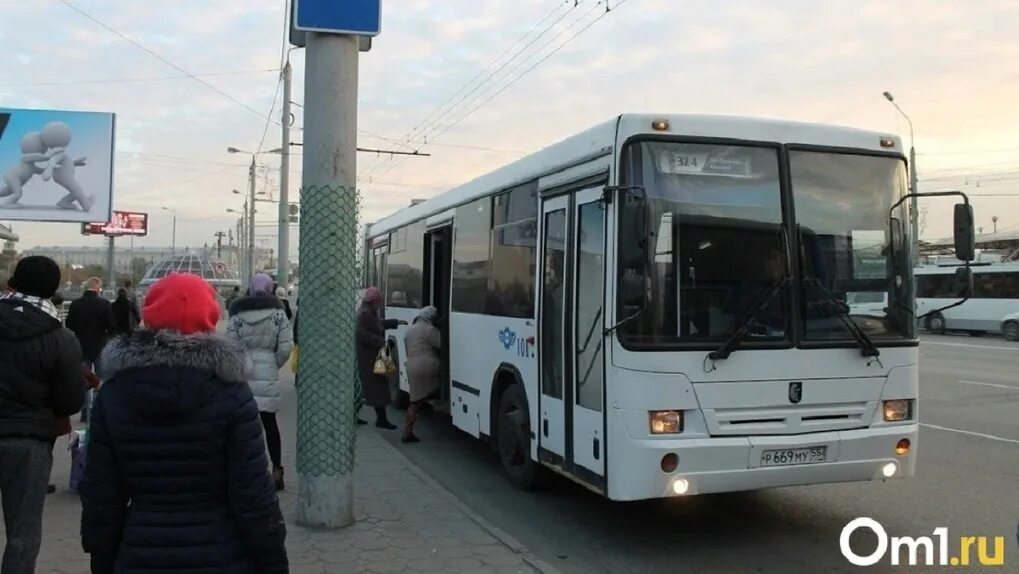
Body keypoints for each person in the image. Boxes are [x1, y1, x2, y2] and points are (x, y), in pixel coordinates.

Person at [80, 273, 288, 573]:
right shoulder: (231, 393)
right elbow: (253, 495)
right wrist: (273, 560)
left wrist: (102, 558)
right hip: (222, 552)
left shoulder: (113, 394)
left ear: (148, 318)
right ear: (210, 320)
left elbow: (101, 493)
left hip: (140, 551)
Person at [0, 256, 86, 573]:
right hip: (29, 442)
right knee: (23, 532)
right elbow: (71, 399)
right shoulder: (60, 338)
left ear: (12, 284)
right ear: (53, 291)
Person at [227, 273, 293, 491]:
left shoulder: (237, 315)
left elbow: (231, 347)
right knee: (271, 426)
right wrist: (272, 363)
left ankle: (248, 474)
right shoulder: (278, 314)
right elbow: (285, 347)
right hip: (268, 372)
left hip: (243, 376)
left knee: (244, 427)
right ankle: (277, 471)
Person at [65, 276, 115, 423]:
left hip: (80, 345)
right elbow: (111, 326)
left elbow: (69, 324)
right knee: (101, 380)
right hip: (100, 346)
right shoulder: (104, 304)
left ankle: (85, 411)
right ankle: (100, 410)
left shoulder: (75, 304)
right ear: (98, 288)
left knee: (84, 380)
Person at [355, 287, 405, 429]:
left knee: (374, 389)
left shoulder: (368, 312)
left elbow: (376, 325)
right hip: (369, 357)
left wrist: (394, 322)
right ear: (374, 301)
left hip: (372, 356)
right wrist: (380, 342)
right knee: (375, 388)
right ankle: (381, 420)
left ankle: (377, 419)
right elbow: (360, 334)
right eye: (378, 301)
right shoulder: (365, 314)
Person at [402, 306, 442, 444]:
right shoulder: (429, 330)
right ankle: (407, 433)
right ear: (430, 318)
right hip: (427, 367)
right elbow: (442, 344)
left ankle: (408, 431)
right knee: (417, 402)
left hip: (411, 366)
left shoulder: (409, 330)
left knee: (415, 401)